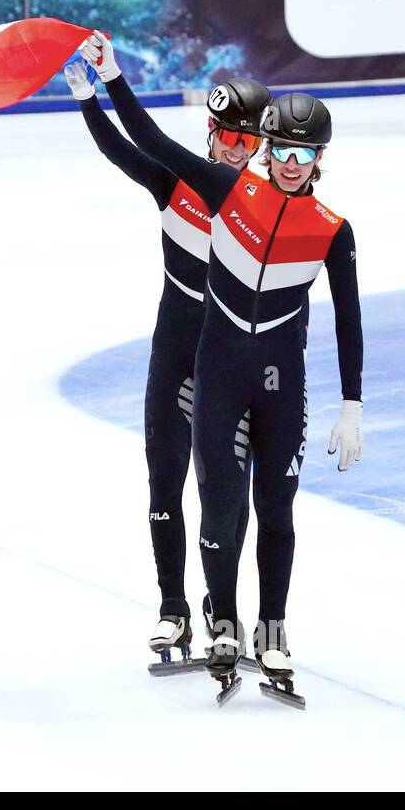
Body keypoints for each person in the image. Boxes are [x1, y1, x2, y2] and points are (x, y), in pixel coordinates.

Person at [81, 33, 363, 701]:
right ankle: (204, 612)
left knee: (274, 508)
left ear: (318, 159)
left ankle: (268, 623)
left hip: (275, 377)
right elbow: (146, 143)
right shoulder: (219, 190)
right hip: (210, 363)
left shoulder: (331, 227)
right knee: (202, 494)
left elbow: (350, 317)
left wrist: (353, 401)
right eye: (280, 149)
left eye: (303, 153)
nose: (288, 162)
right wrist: (108, 80)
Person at [63, 59, 271, 660]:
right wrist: (87, 98)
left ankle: (221, 605)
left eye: (249, 140)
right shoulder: (174, 183)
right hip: (176, 352)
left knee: (228, 493)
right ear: (210, 133)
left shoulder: (260, 202)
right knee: (165, 481)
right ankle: (172, 608)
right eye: (230, 137)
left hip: (230, 363)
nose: (238, 150)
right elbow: (125, 149)